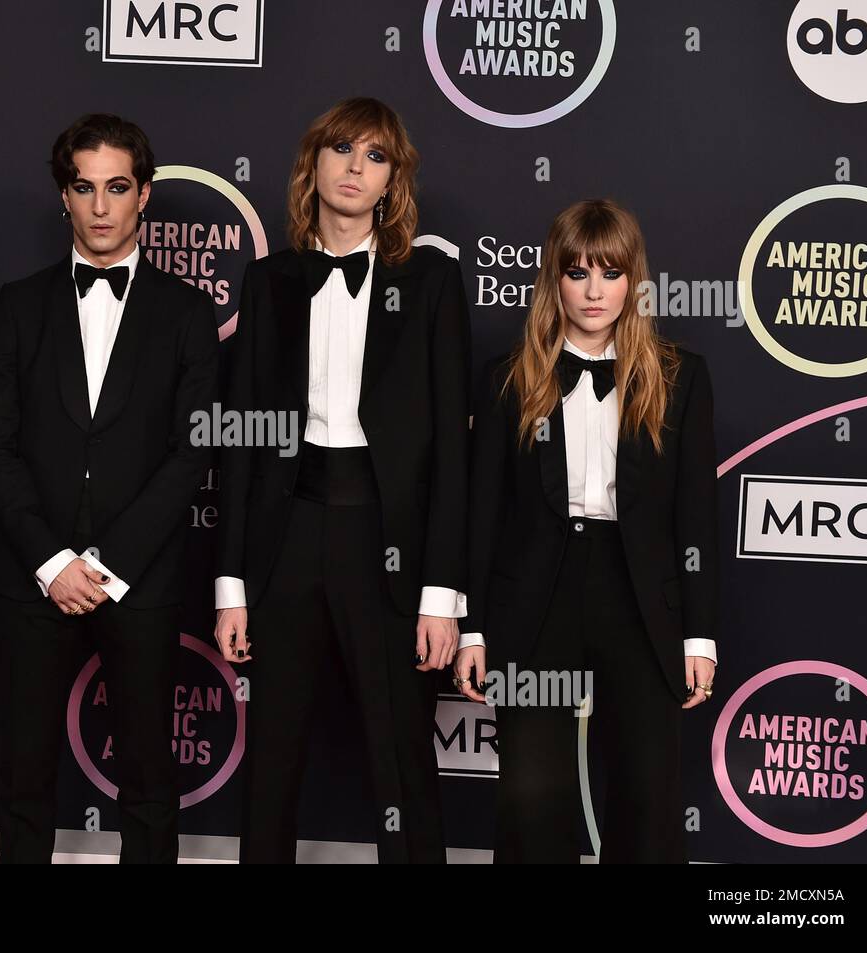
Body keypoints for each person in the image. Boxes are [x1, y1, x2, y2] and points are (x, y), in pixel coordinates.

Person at [213, 97, 470, 863]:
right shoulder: (268, 282)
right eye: (342, 149)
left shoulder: (430, 281)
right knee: (271, 764)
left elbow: (454, 452)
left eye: (376, 155)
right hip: (286, 536)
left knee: (404, 767)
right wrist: (232, 586)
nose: (356, 167)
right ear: (313, 164)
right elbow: (240, 442)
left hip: (387, 542)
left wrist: (441, 595)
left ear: (393, 179)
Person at [0, 113, 219, 863]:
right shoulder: (18, 306)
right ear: (64, 195)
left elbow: (192, 451)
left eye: (118, 188)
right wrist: (52, 561)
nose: (102, 207)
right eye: (85, 188)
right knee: (23, 775)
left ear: (144, 194)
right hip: (33, 577)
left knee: (149, 778)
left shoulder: (186, 314)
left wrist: (108, 565)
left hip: (139, 580)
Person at [456, 198, 718, 863]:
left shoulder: (681, 379)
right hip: (534, 597)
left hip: (638, 597)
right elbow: (482, 511)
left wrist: (700, 633)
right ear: (555, 280)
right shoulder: (505, 379)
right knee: (529, 794)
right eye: (578, 272)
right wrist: (474, 627)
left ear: (633, 279)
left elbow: (696, 517)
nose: (595, 290)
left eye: (610, 271)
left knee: (649, 791)